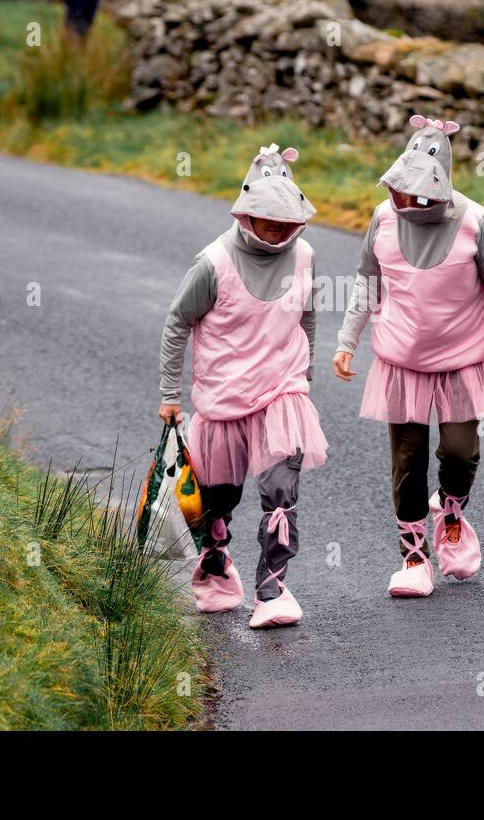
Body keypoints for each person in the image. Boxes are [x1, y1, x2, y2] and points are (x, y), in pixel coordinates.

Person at [333, 115, 484, 598]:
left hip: (461, 362)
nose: (410, 202)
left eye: (421, 195)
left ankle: (452, 513)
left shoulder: (475, 221)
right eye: (402, 191)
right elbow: (367, 281)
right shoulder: (382, 218)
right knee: (408, 460)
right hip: (402, 363)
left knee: (460, 453)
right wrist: (346, 341)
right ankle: (414, 558)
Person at [159, 144, 326, 629]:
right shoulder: (212, 263)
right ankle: (214, 564)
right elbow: (177, 322)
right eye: (267, 219)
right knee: (218, 500)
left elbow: (307, 316)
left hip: (282, 392)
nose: (278, 229)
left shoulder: (306, 255)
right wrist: (170, 394)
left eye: (285, 220)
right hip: (224, 397)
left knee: (280, 491)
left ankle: (272, 588)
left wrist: (305, 377)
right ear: (246, 212)